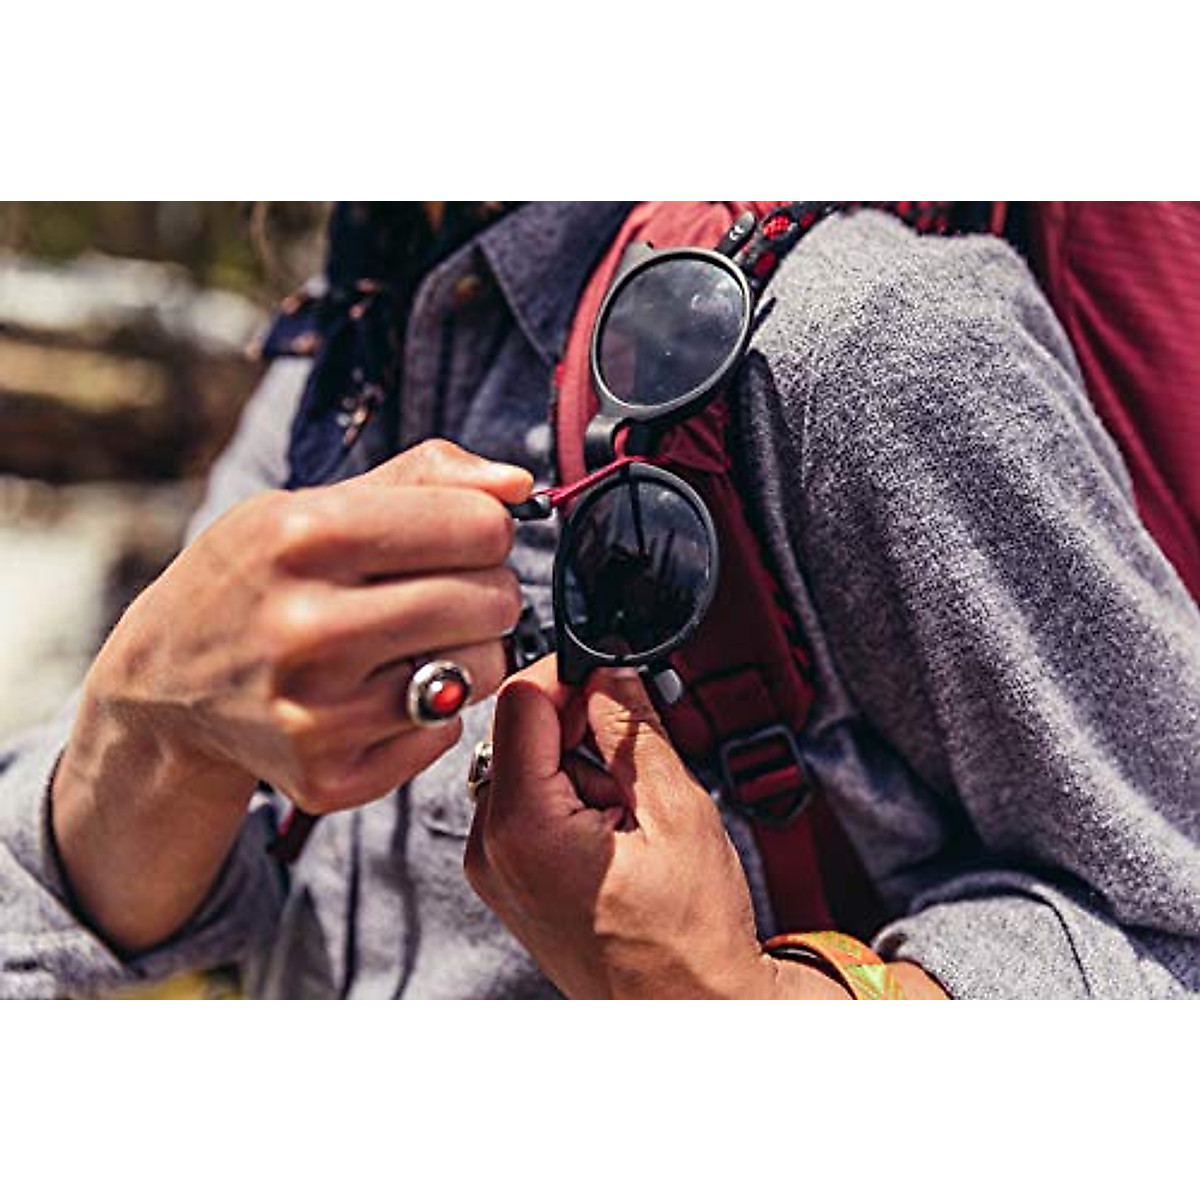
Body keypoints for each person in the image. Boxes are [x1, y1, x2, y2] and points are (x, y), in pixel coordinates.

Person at [1, 202, 1196, 999]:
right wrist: (148, 728)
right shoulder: (362, 323)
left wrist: (748, 1007)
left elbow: (1169, 925)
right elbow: (60, 929)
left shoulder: (867, 345)